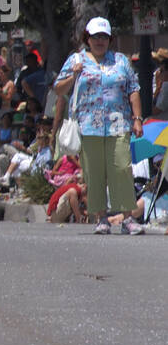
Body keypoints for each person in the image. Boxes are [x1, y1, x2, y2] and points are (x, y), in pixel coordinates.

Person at [53, 16, 144, 235]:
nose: (100, 41)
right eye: (95, 37)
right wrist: (73, 75)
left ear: (110, 39)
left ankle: (127, 218)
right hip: (88, 126)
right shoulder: (77, 60)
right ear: (88, 38)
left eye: (104, 36)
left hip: (118, 124)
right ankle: (101, 217)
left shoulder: (121, 61)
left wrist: (137, 118)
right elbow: (59, 90)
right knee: (94, 173)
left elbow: (133, 89)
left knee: (122, 168)